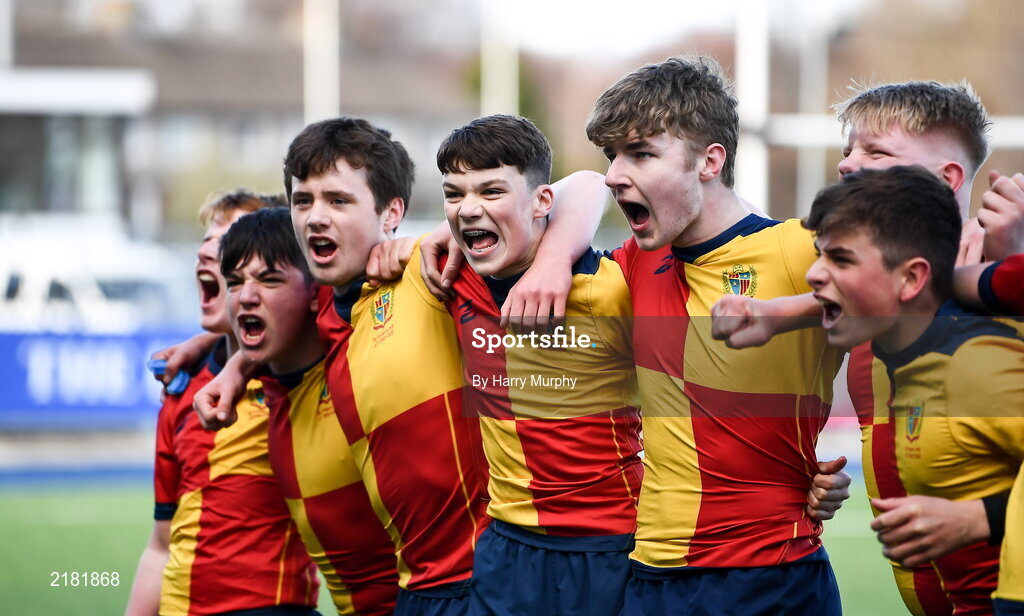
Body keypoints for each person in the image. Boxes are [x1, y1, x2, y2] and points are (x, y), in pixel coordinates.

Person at [193, 116, 608, 615]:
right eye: (303, 201)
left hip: (487, 577)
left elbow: (584, 185)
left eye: (337, 200)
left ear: (392, 211)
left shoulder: (436, 269)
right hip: (415, 590)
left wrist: (553, 259)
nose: (314, 218)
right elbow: (271, 313)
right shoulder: (324, 306)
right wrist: (231, 360)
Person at [584, 55, 846, 615]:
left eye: (642, 153)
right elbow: (549, 201)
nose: (612, 175)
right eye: (612, 157)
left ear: (710, 160)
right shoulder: (632, 263)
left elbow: (910, 287)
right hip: (651, 575)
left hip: (773, 573)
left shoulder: (800, 249)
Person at [431, 114, 641, 615]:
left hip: (609, 545)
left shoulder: (610, 286)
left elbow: (590, 182)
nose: (469, 208)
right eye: (454, 194)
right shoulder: (451, 276)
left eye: (491, 191)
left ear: (543, 201)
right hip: (505, 549)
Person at [803, 164, 1024, 616]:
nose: (814, 276)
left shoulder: (976, 366)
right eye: (820, 256)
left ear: (910, 279)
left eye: (841, 259)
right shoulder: (910, 361)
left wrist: (980, 518)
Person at [124, 190, 319, 616]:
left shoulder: (300, 373)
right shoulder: (180, 387)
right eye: (207, 240)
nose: (208, 251)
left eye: (228, 240)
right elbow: (160, 546)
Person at [220, 207, 401, 614]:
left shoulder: (362, 364)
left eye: (268, 280)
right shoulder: (270, 394)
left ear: (315, 291)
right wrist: (234, 364)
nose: (246, 295)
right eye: (233, 283)